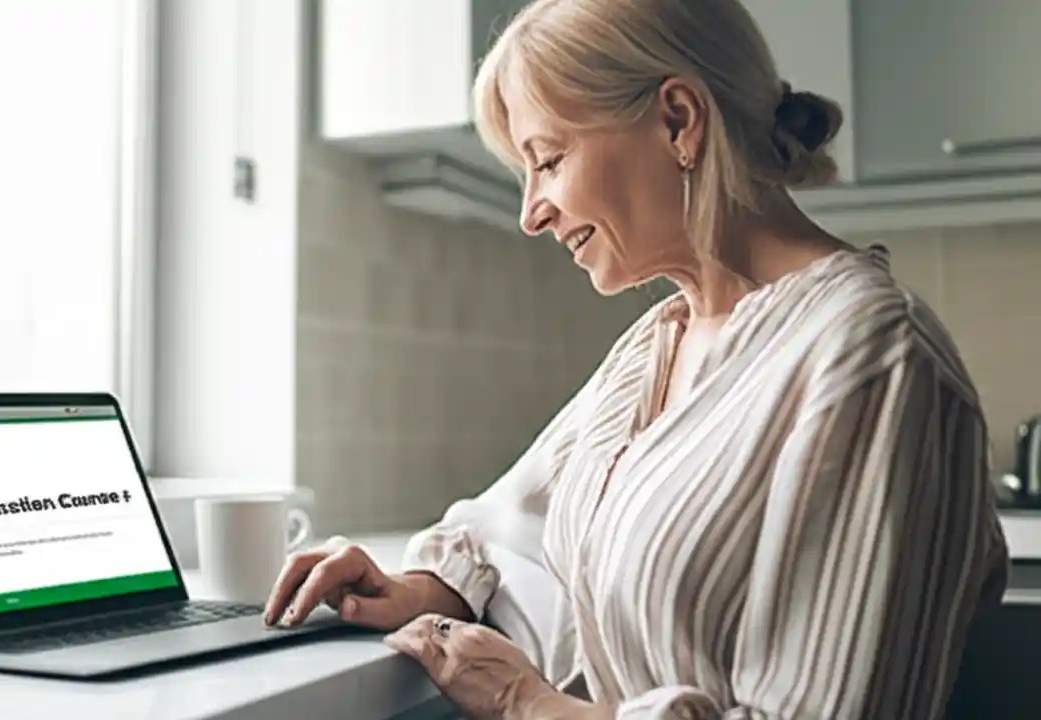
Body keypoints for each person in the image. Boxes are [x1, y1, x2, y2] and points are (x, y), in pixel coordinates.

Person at [265, 0, 1008, 716]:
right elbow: (520, 533)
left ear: (679, 121)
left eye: (548, 159)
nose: (530, 213)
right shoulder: (661, 341)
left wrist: (529, 705)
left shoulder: (870, 354)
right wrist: (419, 589)